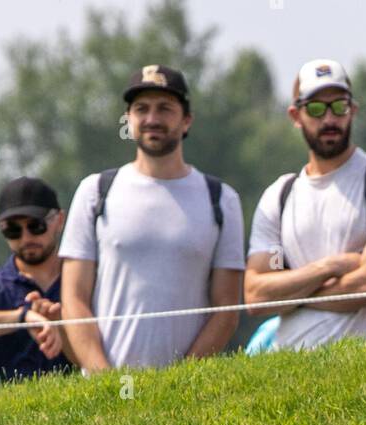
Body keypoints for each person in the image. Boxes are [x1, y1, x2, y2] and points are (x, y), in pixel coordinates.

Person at [59, 64, 245, 371]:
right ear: (128, 119)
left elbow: (226, 310)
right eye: (141, 109)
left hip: (185, 398)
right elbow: (74, 299)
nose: (152, 119)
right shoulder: (95, 192)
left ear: (186, 120)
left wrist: (179, 383)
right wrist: (107, 382)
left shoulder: (222, 199)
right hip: (103, 396)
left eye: (165, 109)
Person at [245, 58, 366, 351]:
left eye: (338, 106)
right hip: (288, 374)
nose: (329, 119)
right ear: (295, 115)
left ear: (352, 110)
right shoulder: (279, 195)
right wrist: (331, 266)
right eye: (315, 108)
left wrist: (292, 296)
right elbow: (255, 295)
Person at [0, 177, 72, 383]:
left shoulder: (82, 282)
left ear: (59, 220)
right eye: (13, 229)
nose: (26, 238)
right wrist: (23, 318)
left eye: (36, 225)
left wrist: (62, 327)